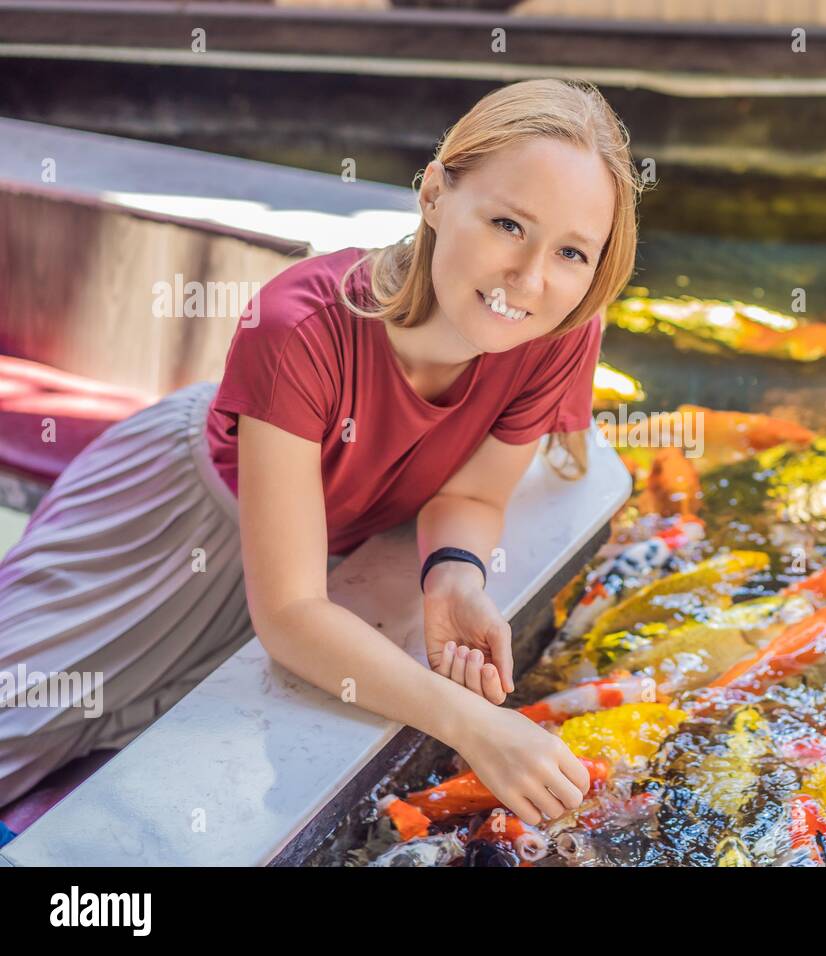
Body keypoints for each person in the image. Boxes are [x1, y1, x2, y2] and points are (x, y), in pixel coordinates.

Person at [0, 78, 643, 828]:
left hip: (312, 547)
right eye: (507, 224)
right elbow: (293, 613)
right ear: (435, 193)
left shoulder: (557, 331)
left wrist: (455, 580)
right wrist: (475, 726)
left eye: (571, 251)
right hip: (179, 524)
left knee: (143, 760)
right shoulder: (298, 326)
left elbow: (471, 496)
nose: (530, 279)